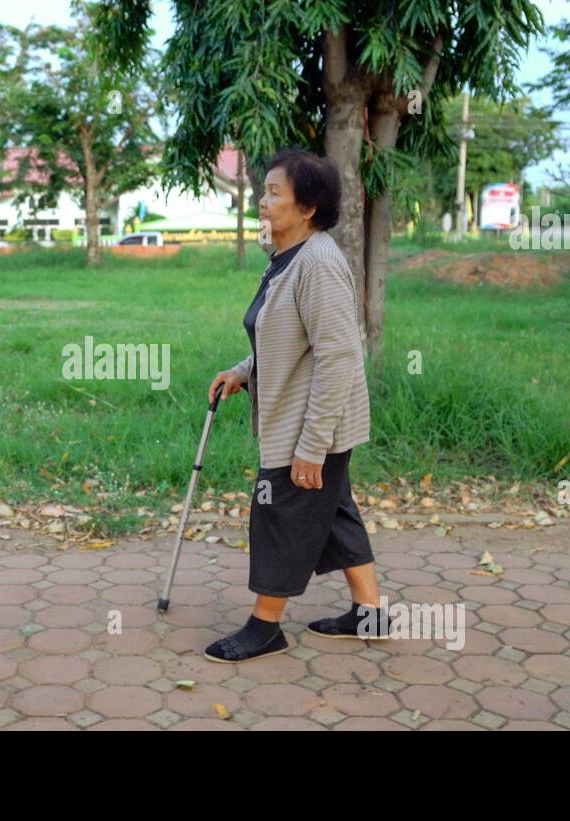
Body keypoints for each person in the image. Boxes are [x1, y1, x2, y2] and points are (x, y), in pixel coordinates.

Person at [202, 147, 390, 663]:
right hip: (308, 418)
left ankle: (265, 627)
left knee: (278, 514)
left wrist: (311, 447)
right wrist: (244, 371)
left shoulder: (319, 265)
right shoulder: (288, 259)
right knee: (333, 513)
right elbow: (284, 336)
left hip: (312, 424)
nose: (262, 202)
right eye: (264, 191)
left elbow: (338, 358)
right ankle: (368, 612)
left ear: (307, 208)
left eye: (274, 193)